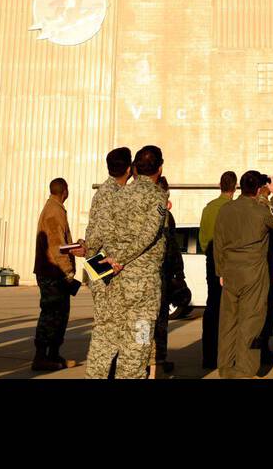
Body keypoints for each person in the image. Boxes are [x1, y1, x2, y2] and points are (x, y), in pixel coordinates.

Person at [88, 145, 169, 380]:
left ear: (135, 168)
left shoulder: (117, 194)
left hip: (113, 281)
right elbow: (149, 234)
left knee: (105, 335)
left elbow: (99, 233)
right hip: (141, 288)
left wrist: (101, 263)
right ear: (160, 168)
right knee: (140, 339)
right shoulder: (157, 197)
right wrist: (121, 259)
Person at [213, 171, 273, 378]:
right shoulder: (261, 210)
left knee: (228, 322)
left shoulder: (226, 210)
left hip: (230, 272)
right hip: (253, 272)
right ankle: (245, 370)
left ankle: (226, 367)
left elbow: (218, 242)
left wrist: (220, 270)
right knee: (251, 321)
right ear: (258, 189)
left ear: (240, 187)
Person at [78, 146, 132, 378]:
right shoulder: (114, 194)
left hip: (99, 264)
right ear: (129, 169)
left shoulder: (103, 191)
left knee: (110, 324)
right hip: (104, 265)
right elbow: (99, 234)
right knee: (107, 327)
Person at [32, 177, 79, 371]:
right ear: (65, 191)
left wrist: (75, 247)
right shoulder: (54, 212)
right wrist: (67, 271)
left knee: (59, 315)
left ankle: (53, 355)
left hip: (53, 271)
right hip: (53, 273)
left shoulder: (54, 209)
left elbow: (59, 243)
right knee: (51, 315)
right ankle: (41, 357)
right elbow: (56, 246)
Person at [198, 171, 236, 370]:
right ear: (235, 186)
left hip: (211, 260)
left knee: (212, 307)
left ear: (219, 185)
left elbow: (203, 238)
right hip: (230, 264)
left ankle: (208, 356)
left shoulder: (209, 208)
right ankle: (229, 356)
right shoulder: (233, 209)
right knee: (231, 310)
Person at [153, 175, 184, 378]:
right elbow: (172, 247)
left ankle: (149, 359)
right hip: (159, 277)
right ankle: (157, 360)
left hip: (147, 277)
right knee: (158, 321)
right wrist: (179, 273)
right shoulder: (163, 214)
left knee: (145, 322)